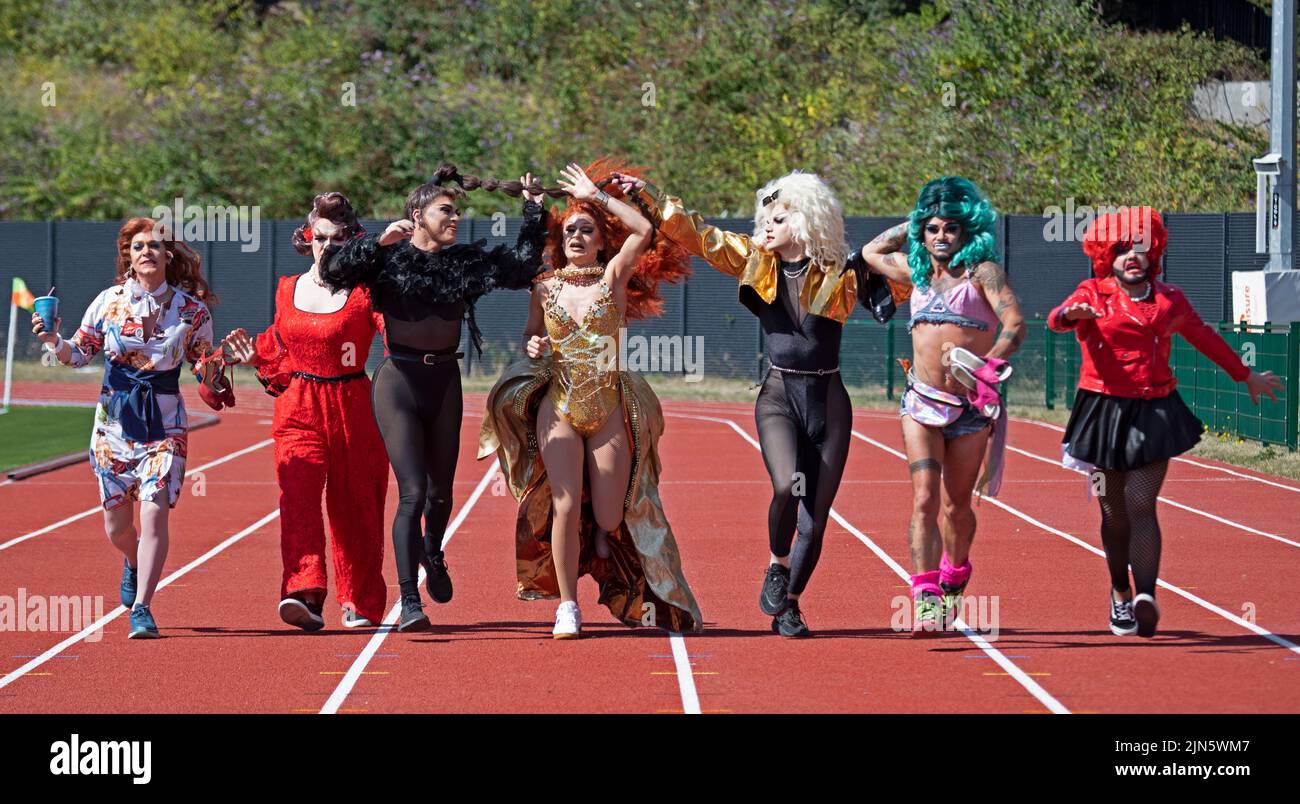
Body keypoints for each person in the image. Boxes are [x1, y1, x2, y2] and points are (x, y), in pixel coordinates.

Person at [626, 170, 890, 637]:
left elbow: (908, 283)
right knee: (789, 486)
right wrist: (647, 195)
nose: (767, 226)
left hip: (829, 400)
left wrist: (918, 247)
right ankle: (776, 563)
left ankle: (789, 604)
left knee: (816, 517)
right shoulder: (755, 261)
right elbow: (700, 235)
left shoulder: (842, 271)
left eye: (779, 218)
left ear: (807, 221)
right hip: (778, 395)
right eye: (764, 218)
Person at [318, 166, 549, 632]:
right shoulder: (386, 259)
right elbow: (331, 269)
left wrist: (534, 208)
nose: (456, 217)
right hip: (397, 381)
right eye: (447, 210)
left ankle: (434, 551)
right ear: (417, 215)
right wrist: (377, 242)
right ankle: (409, 600)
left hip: (444, 381)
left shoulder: (463, 261)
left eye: (458, 210)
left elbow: (523, 264)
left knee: (441, 494)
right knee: (413, 492)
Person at [479, 161, 700, 639]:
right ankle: (566, 606)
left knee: (608, 513)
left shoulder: (613, 279)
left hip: (608, 408)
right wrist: (533, 346)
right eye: (571, 230)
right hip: (558, 405)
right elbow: (531, 338)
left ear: (602, 240)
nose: (577, 237)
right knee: (561, 502)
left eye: (587, 230)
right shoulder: (543, 287)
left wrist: (594, 195)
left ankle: (599, 532)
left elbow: (644, 227)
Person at [1048, 207, 1281, 637]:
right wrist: (1071, 316)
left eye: (1140, 247)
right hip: (1102, 414)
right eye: (1120, 250)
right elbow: (1057, 318)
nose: (1131, 256)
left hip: (1155, 411)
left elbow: (1205, 338)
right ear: (1106, 258)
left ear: (1154, 251)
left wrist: (1245, 375)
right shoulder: (1093, 293)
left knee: (1141, 503)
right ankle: (1120, 593)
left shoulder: (1170, 300)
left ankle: (1145, 597)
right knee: (1113, 511)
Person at [32, 217, 228, 638]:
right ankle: (133, 560)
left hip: (165, 422)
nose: (146, 252)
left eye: (154, 246)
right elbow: (80, 354)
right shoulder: (108, 302)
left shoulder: (190, 311)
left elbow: (206, 370)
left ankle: (142, 606)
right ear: (129, 257)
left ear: (166, 255)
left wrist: (220, 368)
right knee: (117, 526)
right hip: (113, 423)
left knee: (155, 512)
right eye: (138, 246)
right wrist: (52, 339)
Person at [862, 177, 1026, 635]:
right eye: (932, 228)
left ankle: (956, 573)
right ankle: (926, 594)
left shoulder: (984, 273)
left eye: (950, 227)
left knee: (956, 508)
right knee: (923, 499)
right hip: (921, 402)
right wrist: (913, 220)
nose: (940, 236)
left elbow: (1015, 321)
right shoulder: (915, 273)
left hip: (971, 405)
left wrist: (990, 365)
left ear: (967, 230)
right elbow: (872, 253)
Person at [221, 192, 389, 631]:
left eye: (337, 239)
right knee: (297, 499)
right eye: (320, 237)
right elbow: (280, 359)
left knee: (357, 508)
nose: (327, 247)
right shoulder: (286, 290)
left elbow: (396, 342)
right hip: (299, 407)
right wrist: (253, 358)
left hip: (355, 405)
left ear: (351, 240)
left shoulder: (366, 291)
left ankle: (361, 600)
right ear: (307, 237)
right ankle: (304, 592)